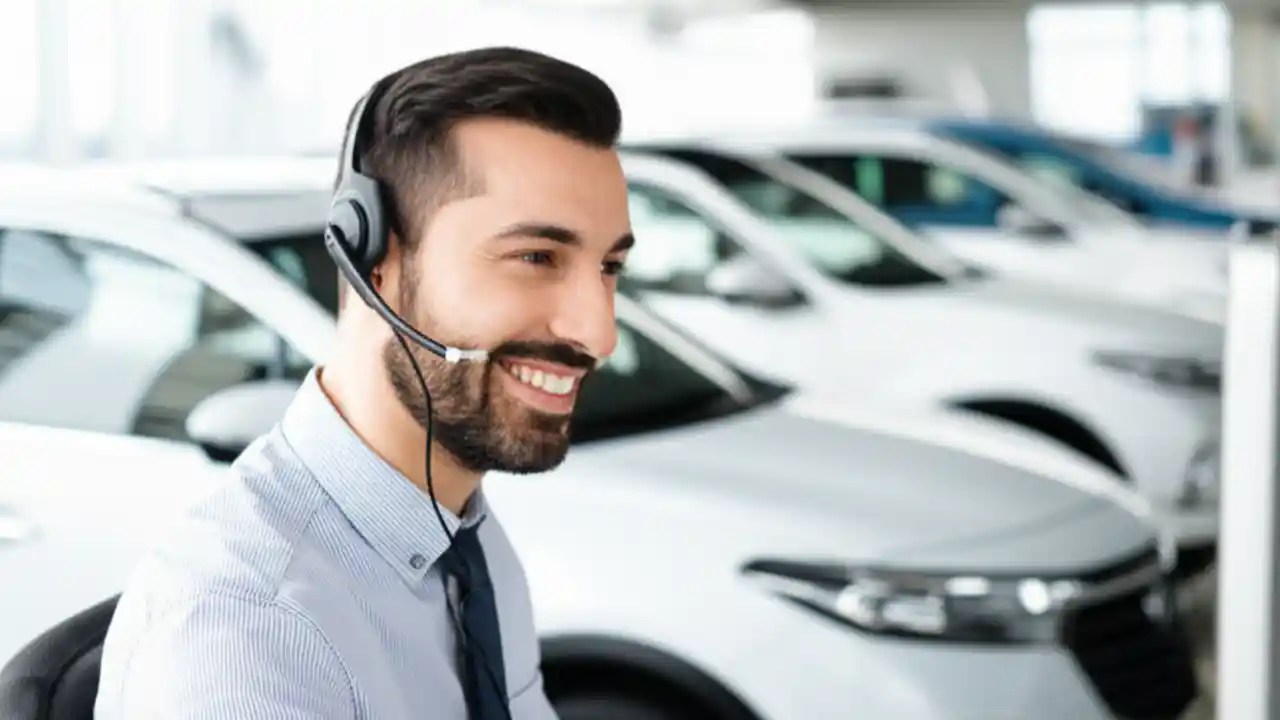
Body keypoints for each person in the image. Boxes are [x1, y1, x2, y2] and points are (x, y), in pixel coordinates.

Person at [94, 47, 632, 719]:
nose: (598, 333)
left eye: (609, 266)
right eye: (535, 257)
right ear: (372, 256)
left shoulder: (463, 541)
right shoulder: (249, 635)